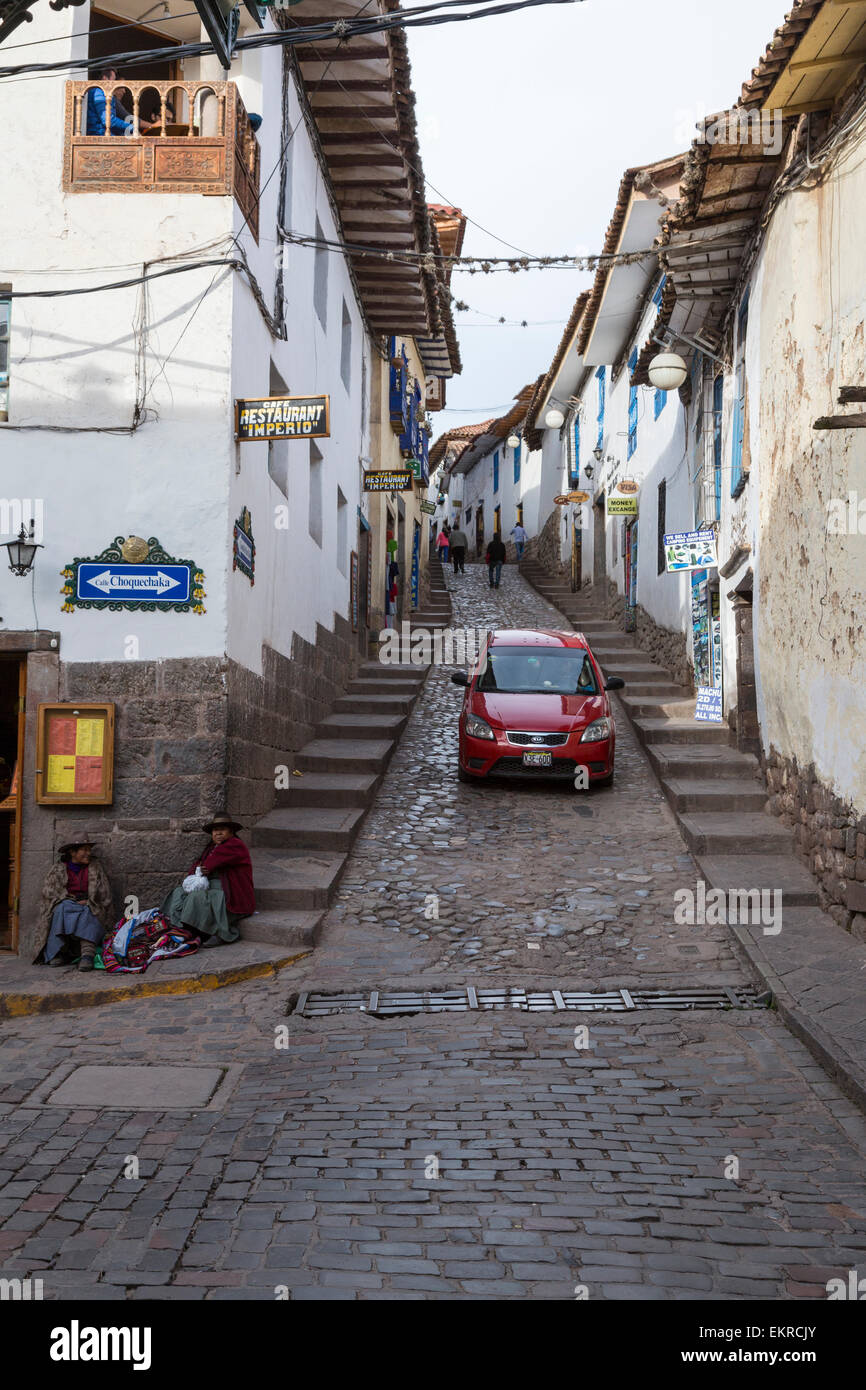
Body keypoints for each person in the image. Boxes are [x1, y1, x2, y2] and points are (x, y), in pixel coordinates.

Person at [161, 813, 254, 948]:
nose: (218, 833)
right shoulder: (211, 847)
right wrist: (199, 869)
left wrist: (204, 867)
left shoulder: (235, 845)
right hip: (212, 886)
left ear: (231, 832)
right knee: (179, 892)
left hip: (231, 892)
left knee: (197, 897)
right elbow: (196, 867)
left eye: (222, 829)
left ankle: (215, 933)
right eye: (215, 830)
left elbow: (210, 863)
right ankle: (181, 927)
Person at [35, 839, 113, 972]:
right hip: (67, 903)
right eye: (84, 850)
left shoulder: (95, 868)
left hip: (89, 904)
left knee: (88, 910)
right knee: (61, 908)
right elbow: (50, 893)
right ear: (72, 852)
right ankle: (59, 952)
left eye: (89, 850)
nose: (88, 853)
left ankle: (87, 954)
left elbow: (104, 894)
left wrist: (89, 901)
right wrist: (71, 900)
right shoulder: (59, 869)